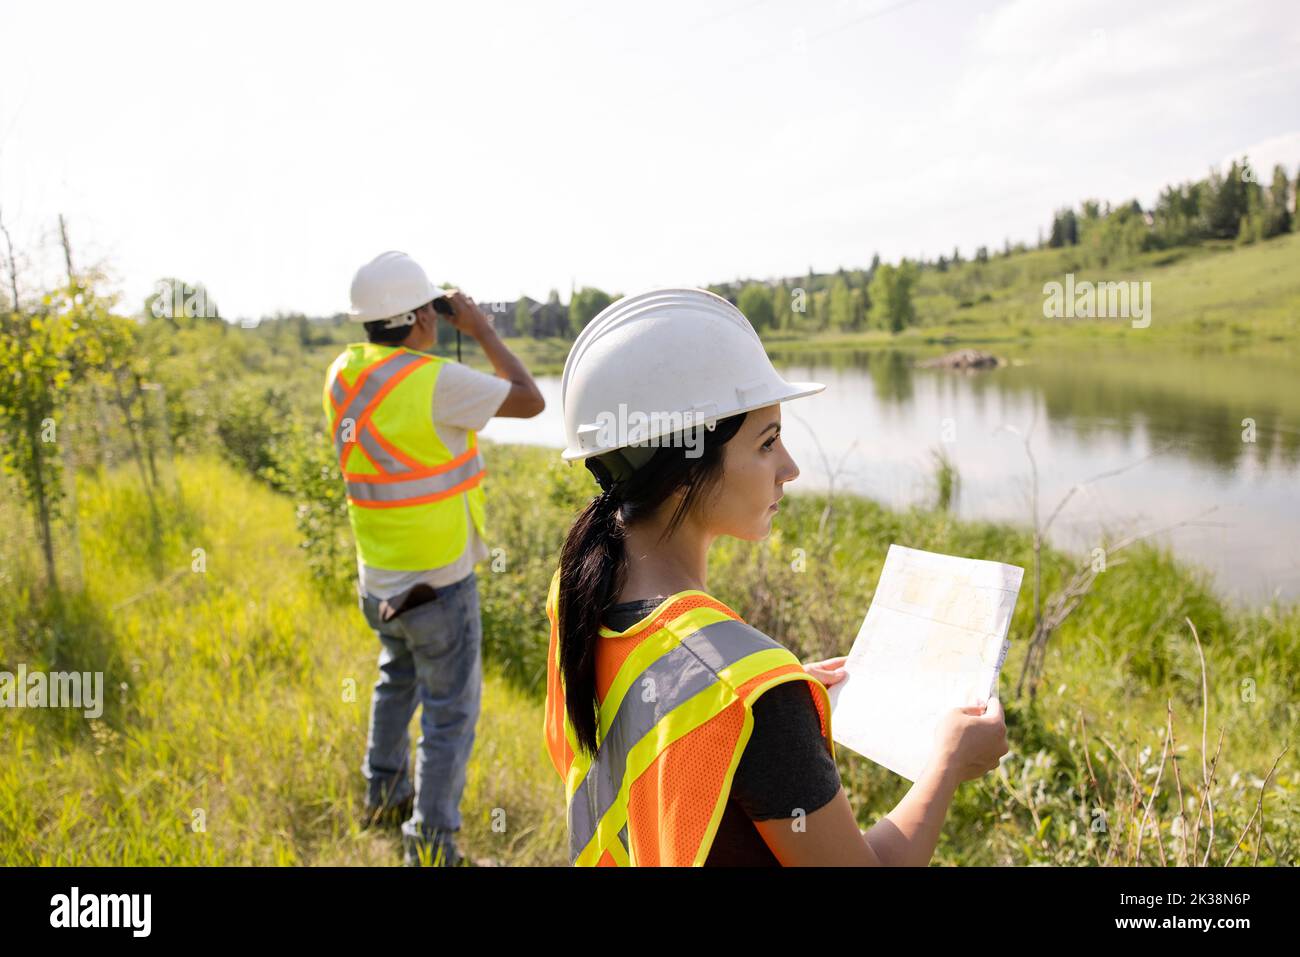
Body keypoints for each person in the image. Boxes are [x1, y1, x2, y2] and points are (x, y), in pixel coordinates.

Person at [543, 288, 1007, 866]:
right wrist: (947, 766)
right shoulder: (748, 692)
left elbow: (646, 726)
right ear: (685, 468)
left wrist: (767, 705)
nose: (790, 467)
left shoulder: (577, 594)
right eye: (767, 442)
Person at [327, 250, 544, 865]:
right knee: (449, 716)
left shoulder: (343, 371)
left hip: (379, 579)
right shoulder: (435, 381)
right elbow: (530, 400)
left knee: (396, 680)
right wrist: (479, 329)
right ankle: (431, 846)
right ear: (423, 317)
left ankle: (384, 798)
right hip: (439, 584)